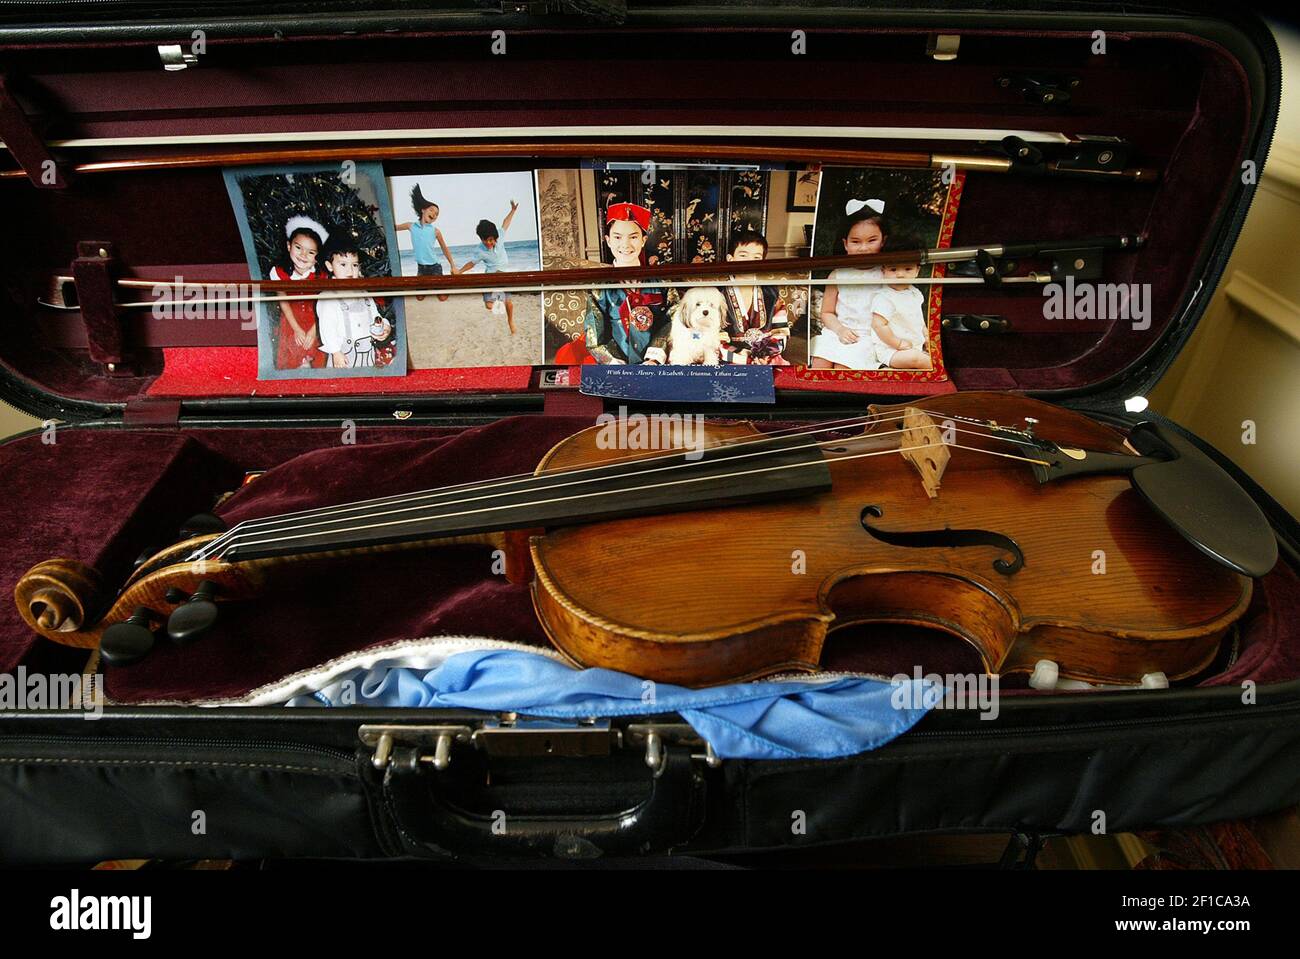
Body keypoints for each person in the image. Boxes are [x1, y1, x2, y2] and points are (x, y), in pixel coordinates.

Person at [582, 202, 670, 365]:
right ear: (608, 240)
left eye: (633, 237)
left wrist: (654, 358)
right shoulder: (599, 287)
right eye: (617, 237)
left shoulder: (661, 280)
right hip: (616, 367)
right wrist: (615, 363)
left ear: (643, 240)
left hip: (657, 365)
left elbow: (674, 317)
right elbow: (594, 335)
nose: (625, 244)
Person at [810, 198, 890, 370]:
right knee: (820, 364)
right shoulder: (838, 274)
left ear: (883, 241)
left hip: (869, 337)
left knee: (843, 368)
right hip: (838, 332)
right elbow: (827, 312)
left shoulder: (886, 274)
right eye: (856, 242)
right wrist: (840, 330)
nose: (863, 248)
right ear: (845, 244)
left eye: (871, 240)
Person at [716, 230, 792, 365]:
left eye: (757, 257)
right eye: (743, 255)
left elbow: (781, 332)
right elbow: (713, 340)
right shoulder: (718, 295)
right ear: (730, 259)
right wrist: (747, 359)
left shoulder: (771, 292)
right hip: (730, 361)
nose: (750, 262)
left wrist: (766, 355)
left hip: (767, 360)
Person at [315, 237, 392, 368]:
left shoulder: (364, 294)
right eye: (343, 264)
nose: (350, 271)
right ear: (329, 266)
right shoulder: (328, 297)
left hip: (368, 354)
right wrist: (335, 352)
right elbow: (327, 328)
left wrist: (384, 326)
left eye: (354, 265)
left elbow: (375, 316)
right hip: (343, 357)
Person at [268, 215, 328, 370]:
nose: (303, 255)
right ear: (289, 246)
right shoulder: (279, 272)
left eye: (310, 252)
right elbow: (284, 303)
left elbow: (326, 305)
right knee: (293, 362)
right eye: (298, 248)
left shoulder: (322, 275)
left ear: (317, 256)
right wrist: (296, 329)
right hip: (291, 322)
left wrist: (314, 331)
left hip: (316, 323)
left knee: (315, 363)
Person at [394, 183, 468, 301]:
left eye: (437, 214)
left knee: (442, 297)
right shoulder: (411, 226)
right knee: (419, 297)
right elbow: (394, 228)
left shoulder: (435, 231)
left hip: (435, 268)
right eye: (432, 210)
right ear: (423, 209)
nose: (434, 214)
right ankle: (431, 287)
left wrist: (453, 265)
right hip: (421, 268)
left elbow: (445, 249)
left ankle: (446, 283)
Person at [869, 235, 931, 370]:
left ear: (917, 271)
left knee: (926, 352)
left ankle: (929, 361)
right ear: (883, 270)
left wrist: (926, 335)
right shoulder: (884, 297)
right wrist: (897, 343)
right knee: (915, 359)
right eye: (893, 269)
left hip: (914, 346)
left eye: (908, 269)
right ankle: (936, 367)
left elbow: (918, 319)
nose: (900, 275)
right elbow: (878, 325)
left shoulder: (914, 293)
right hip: (891, 351)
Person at [465, 200, 520, 335]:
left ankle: (510, 321)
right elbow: (472, 263)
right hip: (489, 277)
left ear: (496, 237)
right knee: (490, 306)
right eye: (486, 240)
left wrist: (512, 210)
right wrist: (459, 271)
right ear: (481, 239)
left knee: (509, 303)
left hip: (503, 275)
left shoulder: (499, 236)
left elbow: (505, 223)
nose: (490, 243)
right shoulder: (480, 250)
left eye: (492, 240)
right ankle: (490, 295)